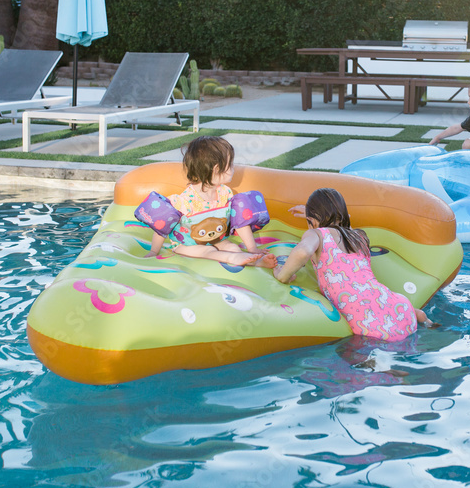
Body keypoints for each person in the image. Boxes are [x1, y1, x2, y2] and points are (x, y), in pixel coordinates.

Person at [273, 187, 434, 340]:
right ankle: (423, 319)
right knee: (407, 321)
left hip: (362, 316)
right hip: (394, 304)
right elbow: (345, 223)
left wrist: (283, 275)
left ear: (311, 220)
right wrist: (313, 214)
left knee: (367, 361)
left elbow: (302, 251)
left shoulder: (316, 234)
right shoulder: (358, 236)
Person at [136, 136, 277, 267]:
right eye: (231, 165)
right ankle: (233, 259)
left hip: (216, 239)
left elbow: (240, 223)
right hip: (187, 246)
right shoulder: (184, 201)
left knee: (232, 247)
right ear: (216, 169)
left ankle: (256, 262)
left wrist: (252, 248)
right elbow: (162, 227)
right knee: (208, 252)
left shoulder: (225, 193)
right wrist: (154, 252)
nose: (234, 169)